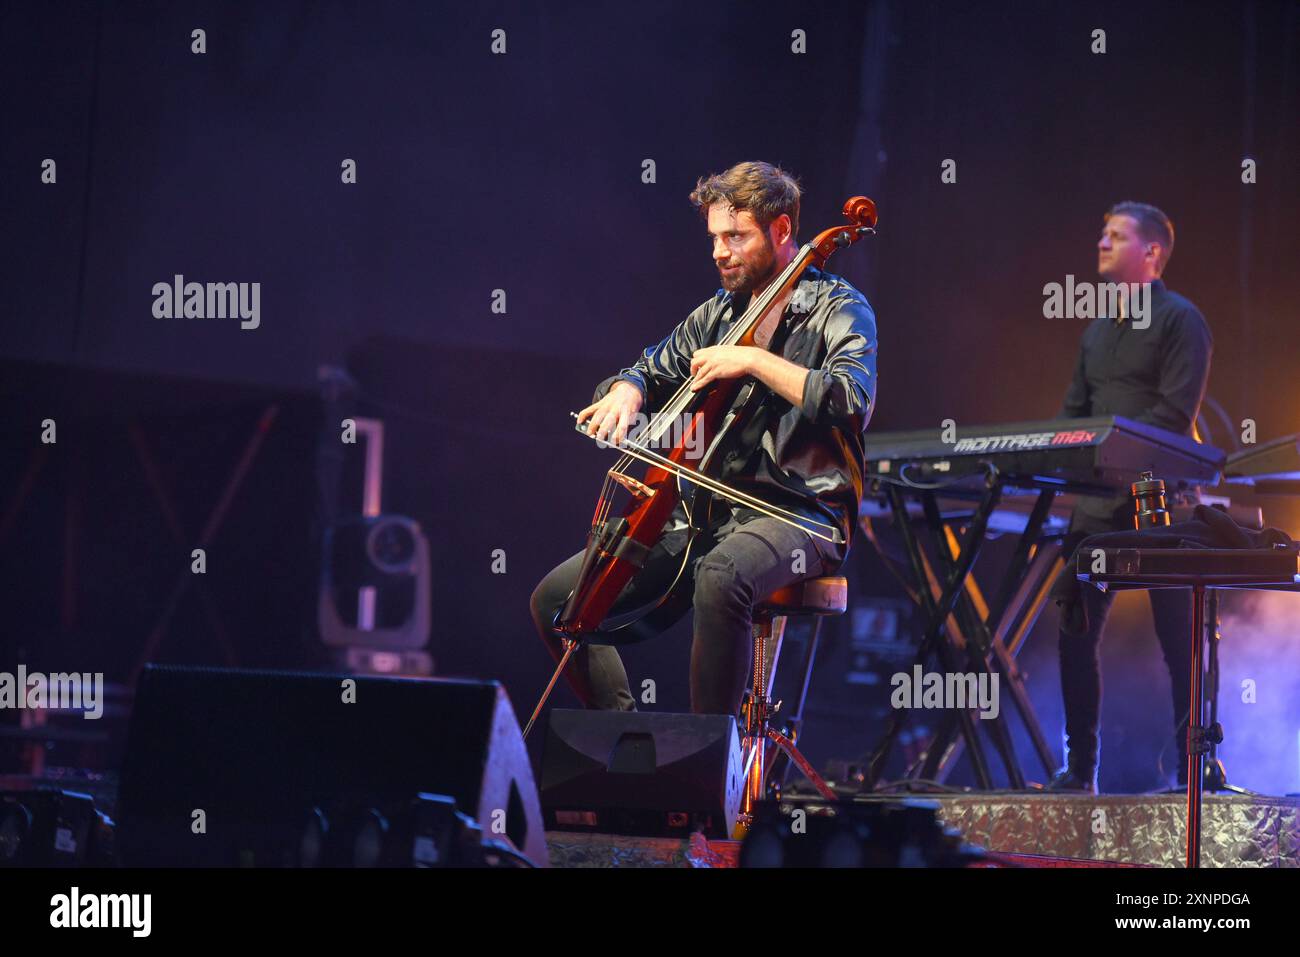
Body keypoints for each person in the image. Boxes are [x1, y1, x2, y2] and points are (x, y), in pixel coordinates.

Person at [529, 161, 878, 717]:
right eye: (715, 237)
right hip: (702, 515)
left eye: (735, 237)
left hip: (800, 514)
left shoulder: (839, 308)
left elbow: (849, 400)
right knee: (556, 601)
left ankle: (708, 766)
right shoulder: (716, 315)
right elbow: (649, 367)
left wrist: (754, 361)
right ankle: (625, 746)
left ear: (782, 231)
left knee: (720, 577)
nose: (719, 251)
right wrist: (626, 389)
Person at [1051, 201, 1213, 792]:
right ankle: (1080, 769)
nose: (1101, 242)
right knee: (1071, 619)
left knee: (1180, 639)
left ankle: (1197, 770)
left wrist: (1107, 444)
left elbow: (1174, 414)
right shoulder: (1095, 330)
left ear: (1151, 253)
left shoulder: (1181, 319)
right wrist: (1057, 447)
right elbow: (1072, 415)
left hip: (1160, 503)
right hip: (1098, 507)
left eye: (1115, 235)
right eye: (1101, 232)